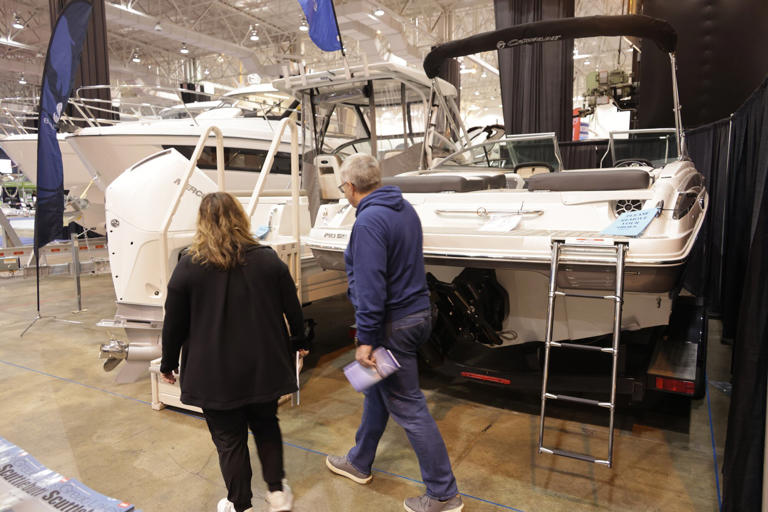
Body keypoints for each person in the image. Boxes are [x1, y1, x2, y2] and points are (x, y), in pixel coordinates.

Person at [325, 154, 463, 512]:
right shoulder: (405, 209)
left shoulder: (369, 221)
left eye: (343, 188)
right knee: (376, 390)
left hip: (391, 325)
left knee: (409, 406)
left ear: (351, 187)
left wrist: (365, 339)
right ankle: (359, 460)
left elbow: (371, 288)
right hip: (417, 315)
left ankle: (444, 494)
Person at [160, 192, 308, 512]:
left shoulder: (188, 266)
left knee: (229, 440)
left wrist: (168, 364)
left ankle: (240, 504)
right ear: (240, 217)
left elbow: (173, 324)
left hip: (213, 373)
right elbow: (292, 308)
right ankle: (277, 494)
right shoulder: (268, 259)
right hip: (264, 365)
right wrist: (299, 342)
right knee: (267, 426)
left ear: (201, 222)